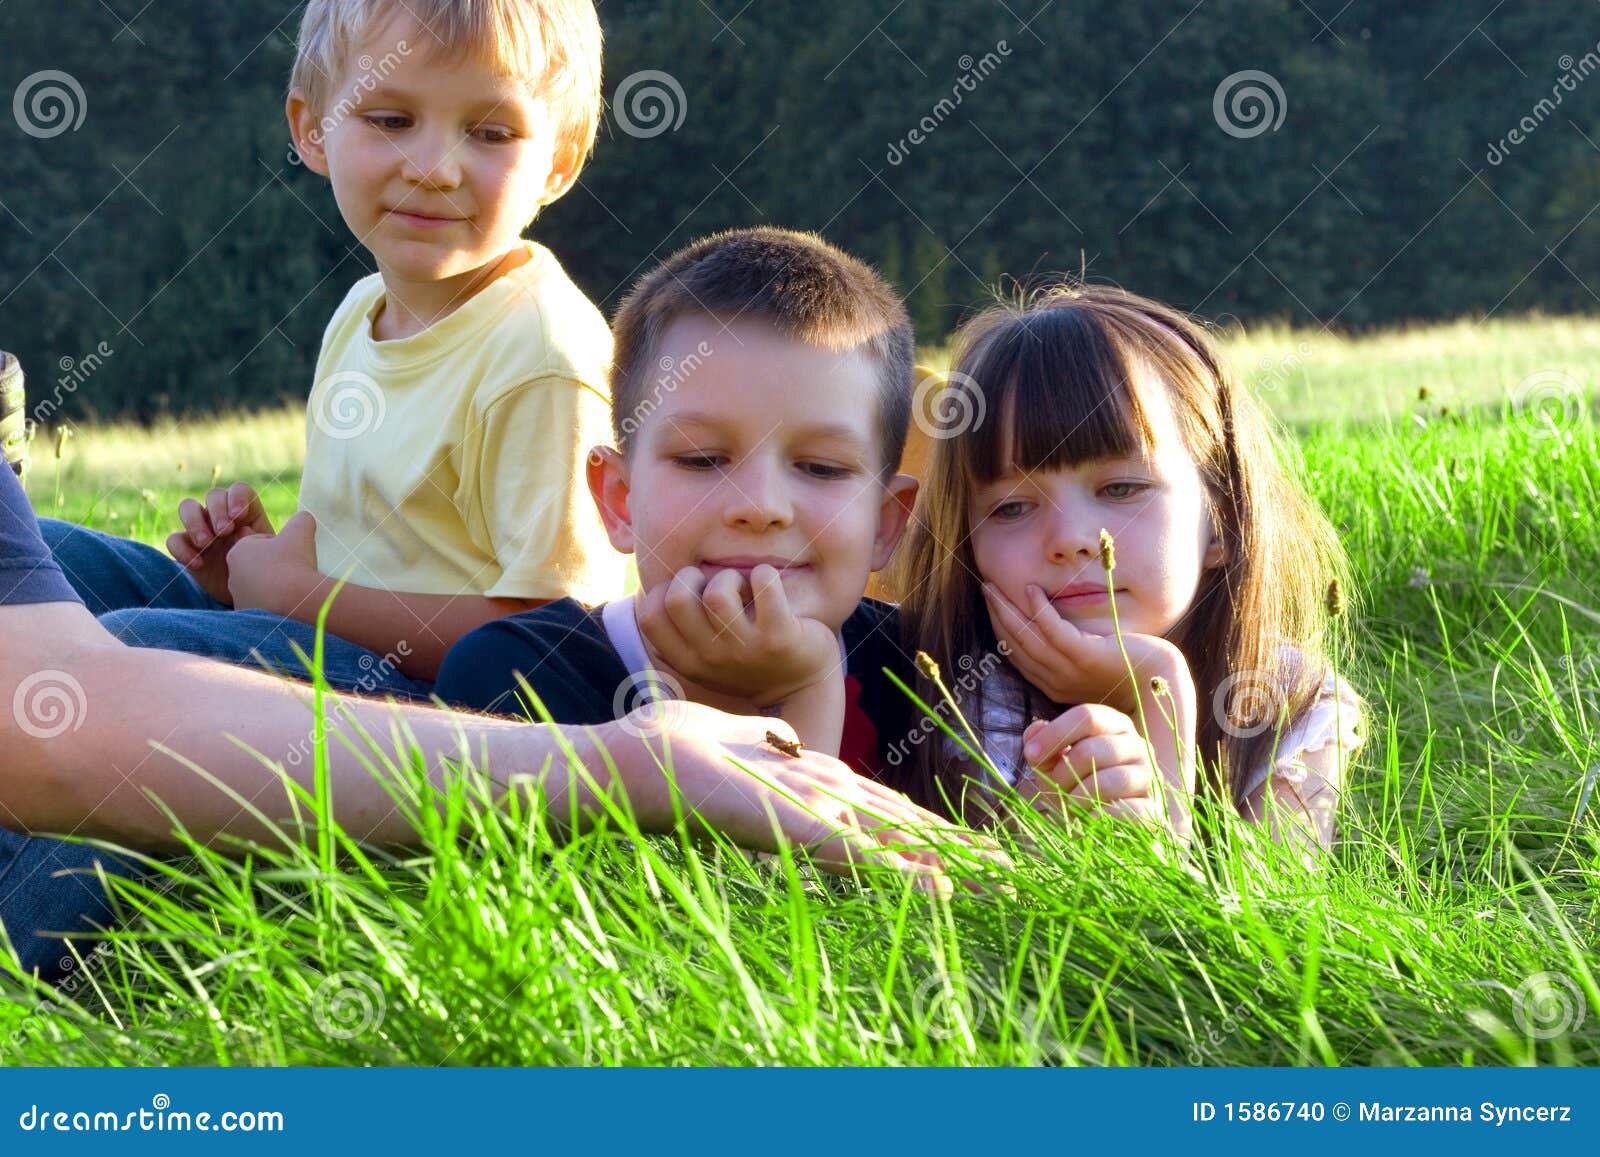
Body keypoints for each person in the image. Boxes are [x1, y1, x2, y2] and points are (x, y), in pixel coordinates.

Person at [0, 463, 1001, 983]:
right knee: (138, 639)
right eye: (702, 459)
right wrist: (626, 768)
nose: (759, 510)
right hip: (100, 745)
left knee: (80, 577)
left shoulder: (924, 666)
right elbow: (60, 725)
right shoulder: (535, 668)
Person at [41, 0, 624, 700]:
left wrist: (299, 597)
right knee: (33, 558)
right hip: (315, 640)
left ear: (559, 159)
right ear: (312, 131)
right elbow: (383, 552)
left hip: (428, 712)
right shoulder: (360, 310)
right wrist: (251, 573)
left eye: (491, 132)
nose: (435, 168)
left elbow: (560, 645)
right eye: (391, 120)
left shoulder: (543, 355)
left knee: (126, 647)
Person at [892, 284, 1363, 855]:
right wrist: (1036, 829)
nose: (1069, 540)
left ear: (1223, 521)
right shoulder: (949, 692)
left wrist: (1158, 690)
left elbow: (1267, 933)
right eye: (1011, 507)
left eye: (1121, 488)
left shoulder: (1288, 700)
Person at [435, 227, 922, 777]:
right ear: (619, 500)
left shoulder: (930, 676)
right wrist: (802, 690)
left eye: (821, 468)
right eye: (702, 459)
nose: (760, 506)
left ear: (886, 523)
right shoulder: (517, 678)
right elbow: (773, 866)